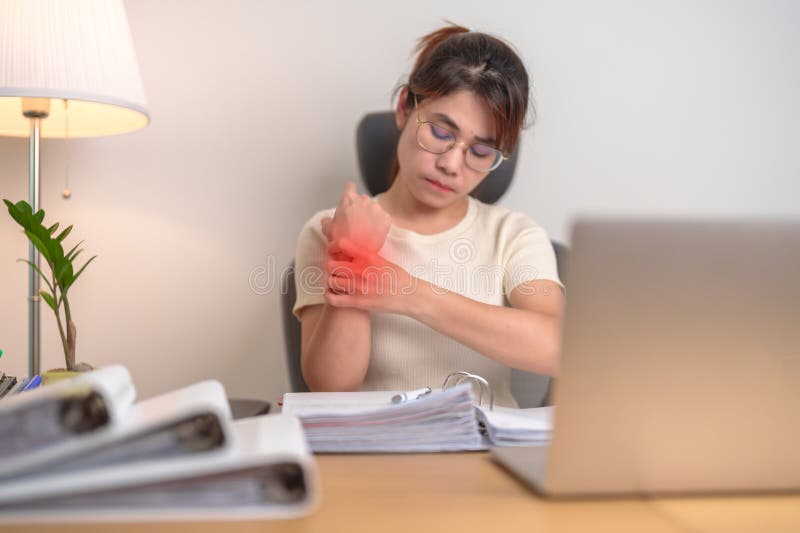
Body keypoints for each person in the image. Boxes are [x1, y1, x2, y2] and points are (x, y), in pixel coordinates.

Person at [293, 24, 564, 407]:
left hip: (484, 455)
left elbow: (556, 346)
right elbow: (332, 386)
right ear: (405, 108)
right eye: (439, 132)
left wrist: (409, 293)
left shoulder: (514, 235)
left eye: (481, 152)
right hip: (373, 455)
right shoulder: (331, 229)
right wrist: (354, 254)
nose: (452, 164)